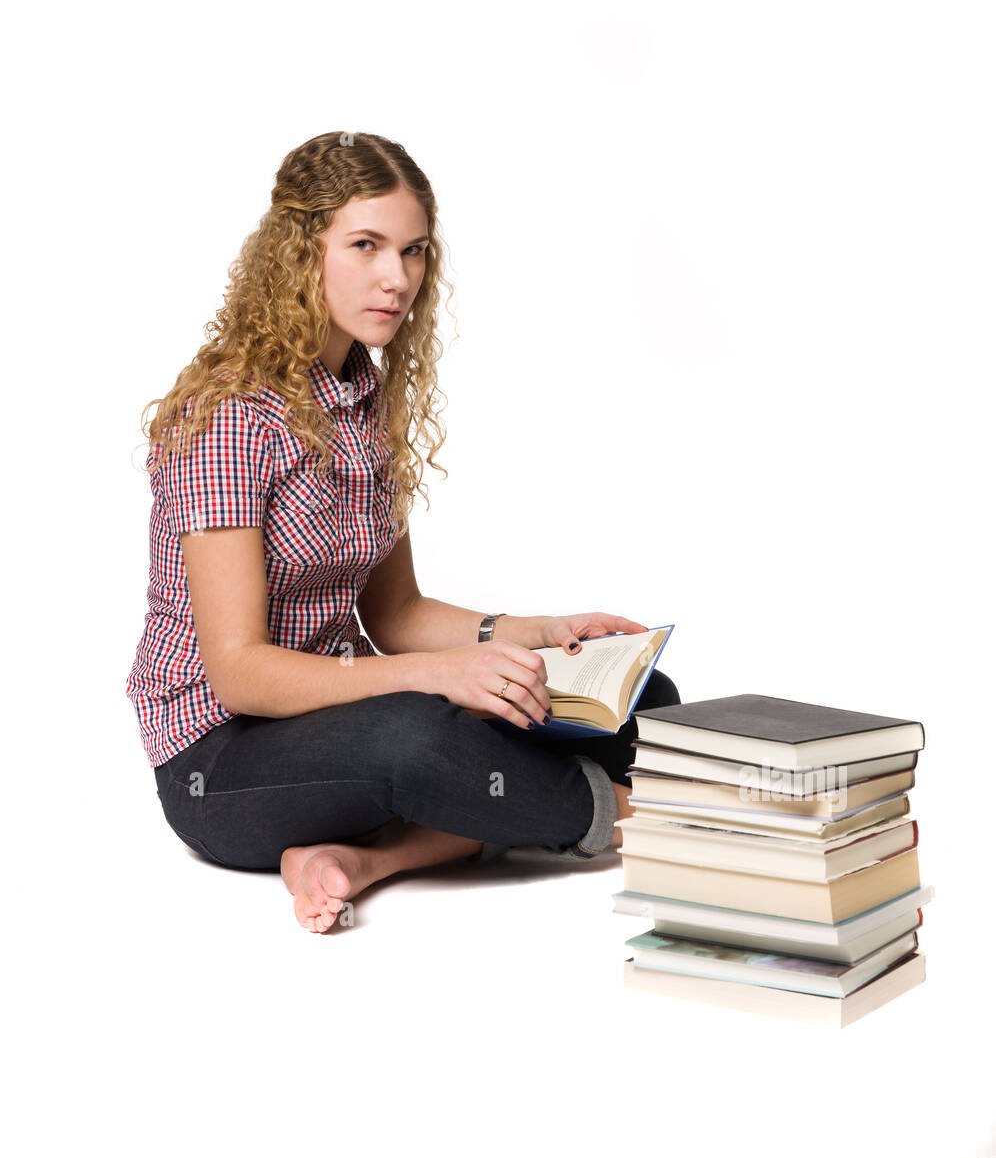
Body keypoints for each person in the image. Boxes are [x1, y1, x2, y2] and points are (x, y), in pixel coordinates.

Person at [125, 130, 680, 933]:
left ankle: (366, 857)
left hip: (333, 719)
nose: (398, 278)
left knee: (636, 702)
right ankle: (656, 820)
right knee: (425, 741)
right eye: (366, 245)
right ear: (298, 251)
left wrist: (544, 634)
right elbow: (241, 674)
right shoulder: (229, 419)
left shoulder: (361, 400)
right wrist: (440, 676)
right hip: (221, 759)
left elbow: (394, 617)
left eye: (413, 251)